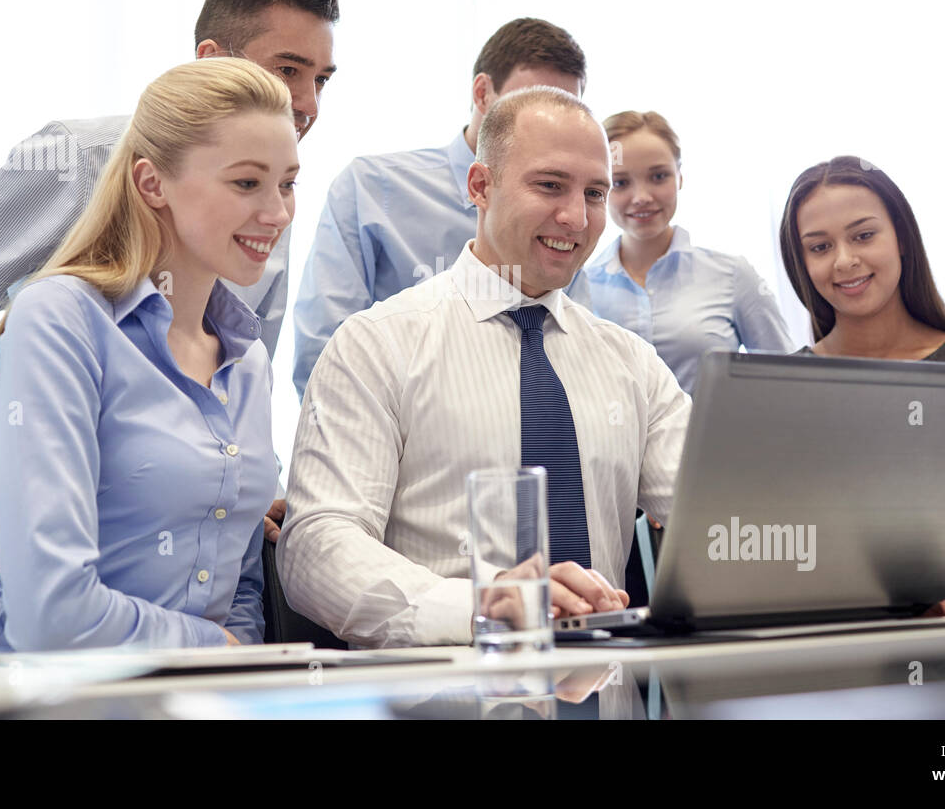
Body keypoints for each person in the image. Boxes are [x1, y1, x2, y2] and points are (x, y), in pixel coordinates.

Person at [0, 0, 338, 528]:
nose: (309, 102)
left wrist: (253, 483)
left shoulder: (272, 204)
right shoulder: (74, 159)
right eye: (288, 69)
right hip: (30, 507)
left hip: (177, 525)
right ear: (212, 61)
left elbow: (241, 375)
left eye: (321, 79)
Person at [279, 87, 691, 648]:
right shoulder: (375, 346)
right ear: (480, 186)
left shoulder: (634, 365)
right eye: (549, 185)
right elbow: (317, 547)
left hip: (608, 697)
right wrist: (484, 608)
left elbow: (719, 518)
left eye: (595, 192)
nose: (576, 216)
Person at [0, 57, 294, 651]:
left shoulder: (248, 361)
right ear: (153, 184)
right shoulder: (62, 319)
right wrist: (215, 650)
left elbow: (240, 591)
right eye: (247, 182)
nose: (276, 212)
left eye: (288, 182)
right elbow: (52, 615)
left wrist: (237, 675)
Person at [778, 155, 945, 616]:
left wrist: (942, 589)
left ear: (902, 239)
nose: (845, 260)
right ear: (802, 264)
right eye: (819, 247)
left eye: (863, 235)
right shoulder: (780, 389)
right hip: (819, 667)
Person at [291, 17, 587, 398]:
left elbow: (580, 347)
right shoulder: (371, 189)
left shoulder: (569, 216)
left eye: (565, 109)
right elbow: (326, 354)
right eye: (529, 104)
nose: (552, 129)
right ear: (482, 93)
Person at [585, 110, 792, 393]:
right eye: (620, 182)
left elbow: (787, 383)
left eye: (658, 176)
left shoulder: (733, 276)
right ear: (601, 186)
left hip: (714, 438)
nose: (642, 197)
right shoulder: (577, 286)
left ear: (679, 176)